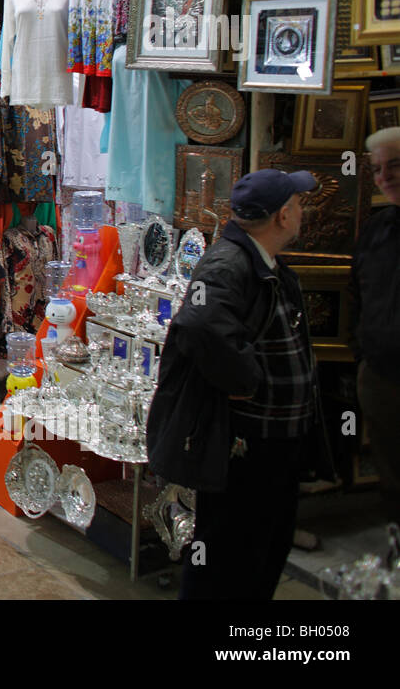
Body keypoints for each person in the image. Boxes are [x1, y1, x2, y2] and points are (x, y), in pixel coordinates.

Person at [147, 168, 327, 600]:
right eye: (299, 204)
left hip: (273, 440)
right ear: (283, 215)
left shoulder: (261, 263)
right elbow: (197, 323)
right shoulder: (230, 263)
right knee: (226, 553)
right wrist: (247, 380)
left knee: (262, 547)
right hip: (246, 442)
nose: (303, 212)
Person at [353, 127, 400, 524]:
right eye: (379, 169)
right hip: (382, 375)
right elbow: (359, 295)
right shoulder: (376, 230)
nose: (386, 176)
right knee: (393, 470)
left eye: (396, 165)